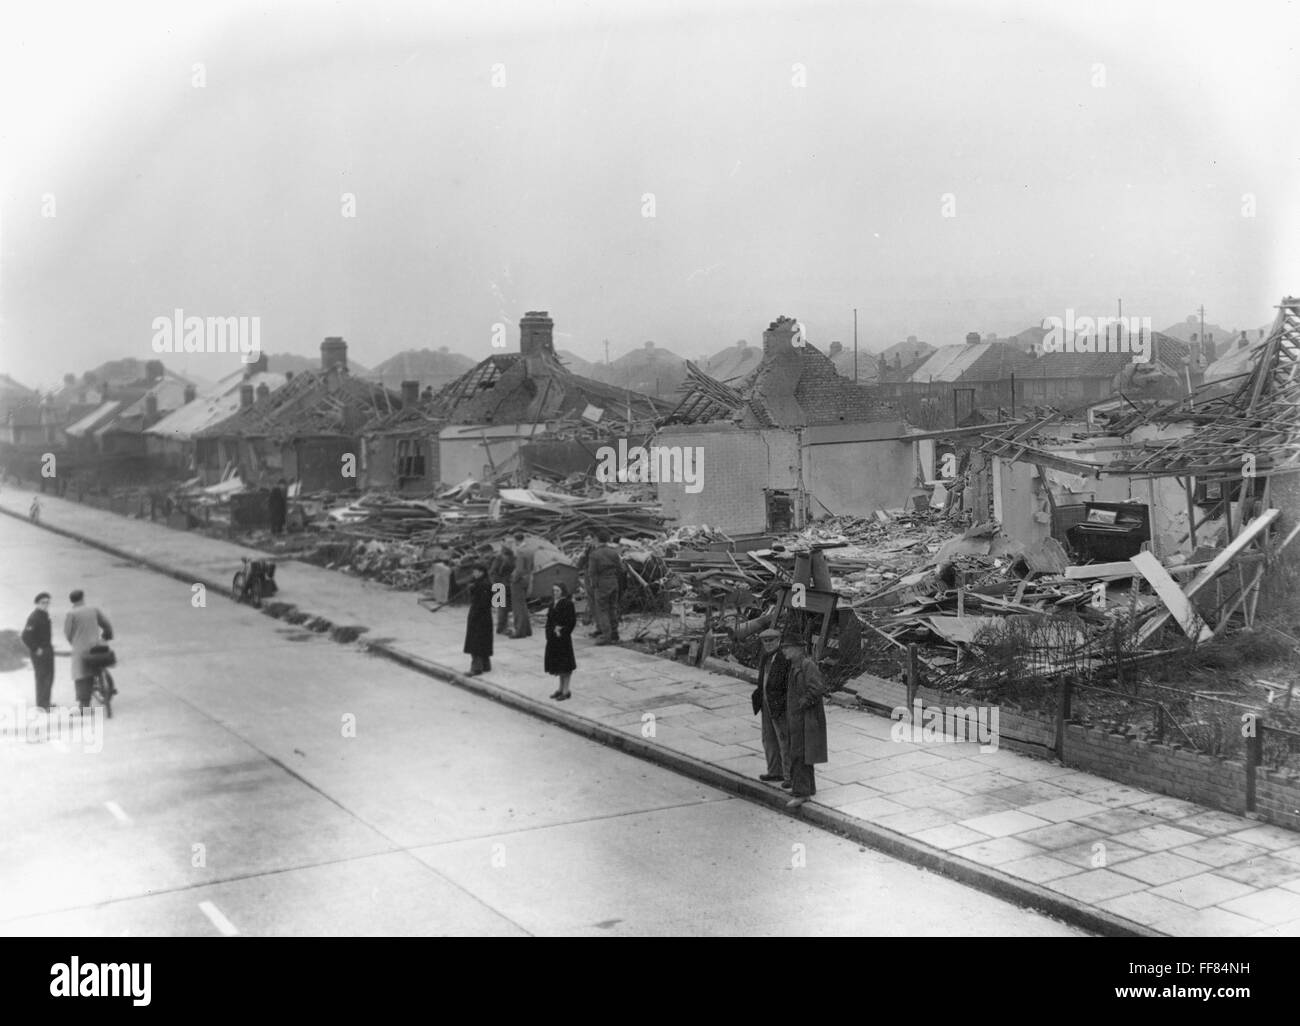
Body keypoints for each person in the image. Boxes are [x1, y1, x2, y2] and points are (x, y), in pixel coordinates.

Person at [782, 636, 833, 809]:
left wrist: (801, 704)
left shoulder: (807, 665)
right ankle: (806, 788)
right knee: (802, 754)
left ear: (798, 649)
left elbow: (817, 688)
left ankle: (802, 794)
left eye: (788, 648)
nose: (784, 651)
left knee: (799, 754)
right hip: (798, 718)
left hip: (805, 719)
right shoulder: (796, 666)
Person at [753, 628, 792, 789]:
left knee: (784, 740)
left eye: (771, 641)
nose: (768, 644)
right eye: (765, 641)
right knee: (768, 738)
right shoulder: (765, 657)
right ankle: (774, 771)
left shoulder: (784, 659)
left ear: (778, 641)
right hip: (766, 704)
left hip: (779, 705)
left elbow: (788, 685)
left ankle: (789, 775)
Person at [64, 589, 114, 712]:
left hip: (81, 649)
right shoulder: (93, 609)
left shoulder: (71, 614)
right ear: (82, 598)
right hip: (96, 646)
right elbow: (106, 624)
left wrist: (74, 643)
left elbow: (68, 634)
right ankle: (106, 686)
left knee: (80, 674)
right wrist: (107, 635)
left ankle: (84, 705)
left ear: (72, 601)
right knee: (98, 666)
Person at [588, 530, 623, 644]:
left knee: (602, 610)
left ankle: (606, 636)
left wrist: (594, 585)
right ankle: (614, 633)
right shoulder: (614, 552)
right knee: (613, 608)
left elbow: (592, 572)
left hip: (602, 584)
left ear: (597, 540)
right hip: (613, 582)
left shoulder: (594, 554)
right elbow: (620, 569)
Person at [22, 592, 55, 711]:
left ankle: (46, 702)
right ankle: (42, 704)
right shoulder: (34, 617)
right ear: (37, 604)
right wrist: (36, 649)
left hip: (47, 649)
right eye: (43, 603)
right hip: (40, 652)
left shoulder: (44, 615)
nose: (46, 605)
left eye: (47, 602)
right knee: (42, 677)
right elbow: (25, 636)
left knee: (49, 677)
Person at [544, 583, 577, 700]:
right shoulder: (552, 604)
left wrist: (562, 631)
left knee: (565, 666)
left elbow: (571, 621)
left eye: (557, 591)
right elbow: (549, 620)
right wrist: (549, 633)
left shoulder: (568, 604)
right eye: (554, 591)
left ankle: (566, 690)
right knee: (559, 666)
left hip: (563, 640)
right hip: (554, 639)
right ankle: (560, 688)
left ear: (562, 591)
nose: (555, 593)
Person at [464, 564, 494, 676]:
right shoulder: (488, 583)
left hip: (478, 616)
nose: (473, 574)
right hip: (486, 616)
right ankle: (486, 664)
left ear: (481, 572)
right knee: (484, 641)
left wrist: (472, 589)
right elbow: (496, 602)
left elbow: (478, 602)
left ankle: (476, 667)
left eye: (475, 572)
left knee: (475, 642)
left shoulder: (480, 585)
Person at [509, 532, 534, 638]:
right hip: (527, 578)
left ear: (516, 540)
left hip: (519, 581)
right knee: (523, 605)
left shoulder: (520, 551)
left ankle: (519, 631)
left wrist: (513, 579)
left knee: (517, 607)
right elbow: (531, 566)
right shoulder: (530, 549)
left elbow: (518, 569)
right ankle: (527, 629)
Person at [489, 540, 515, 635]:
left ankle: (503, 627)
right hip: (501, 585)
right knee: (502, 608)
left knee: (505, 608)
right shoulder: (500, 558)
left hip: (506, 585)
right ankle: (501, 628)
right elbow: (493, 573)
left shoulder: (511, 557)